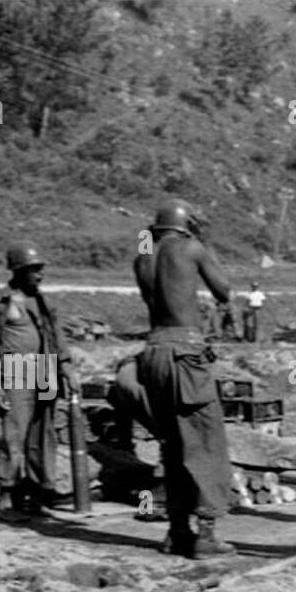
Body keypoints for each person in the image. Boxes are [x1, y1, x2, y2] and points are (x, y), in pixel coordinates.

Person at [110, 197, 235, 558]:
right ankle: (207, 533)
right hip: (185, 353)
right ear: (185, 226)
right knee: (206, 442)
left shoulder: (143, 257)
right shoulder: (192, 248)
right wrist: (205, 244)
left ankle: (177, 530)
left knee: (173, 444)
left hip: (153, 354)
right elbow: (224, 291)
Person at [0, 241, 78, 521]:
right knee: (13, 437)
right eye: (34, 269)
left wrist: (66, 367)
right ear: (18, 271)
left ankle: (38, 494)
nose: (40, 275)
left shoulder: (42, 301)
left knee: (43, 437)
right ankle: (6, 497)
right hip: (14, 375)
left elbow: (56, 336)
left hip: (44, 372)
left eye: (41, 269)